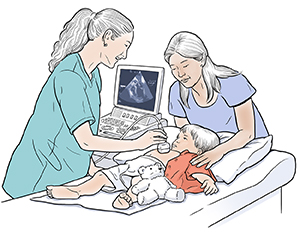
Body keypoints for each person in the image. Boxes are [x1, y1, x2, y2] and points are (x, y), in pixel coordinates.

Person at [2, 8, 166, 199]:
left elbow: (75, 131)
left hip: (66, 174)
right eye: (125, 45)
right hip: (39, 177)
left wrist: (93, 170)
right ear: (107, 37)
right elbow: (86, 139)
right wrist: (137, 143)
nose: (124, 54)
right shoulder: (70, 76)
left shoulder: (93, 74)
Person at [46, 124, 220, 210]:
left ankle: (128, 198)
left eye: (184, 139)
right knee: (103, 176)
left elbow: (199, 173)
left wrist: (208, 182)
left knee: (139, 183)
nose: (177, 139)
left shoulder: (189, 158)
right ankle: (77, 190)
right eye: (179, 136)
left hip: (152, 173)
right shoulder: (168, 149)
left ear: (197, 150)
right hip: (134, 166)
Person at [164, 31, 269, 169]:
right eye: (174, 68)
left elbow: (247, 133)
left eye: (185, 65)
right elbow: (185, 134)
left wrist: (217, 152)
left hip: (245, 144)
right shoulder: (176, 92)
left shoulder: (232, 82)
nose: (180, 74)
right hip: (207, 147)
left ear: (201, 59)